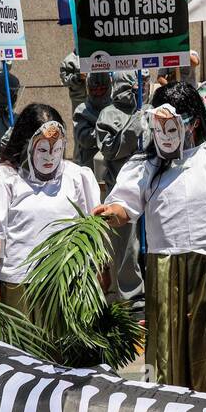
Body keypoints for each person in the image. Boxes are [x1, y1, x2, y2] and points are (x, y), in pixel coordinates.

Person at [94, 83, 206, 400]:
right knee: (171, 346)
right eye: (158, 126)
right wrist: (110, 212)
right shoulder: (145, 165)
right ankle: (174, 411)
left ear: (194, 122)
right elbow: (125, 207)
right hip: (166, 271)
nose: (164, 133)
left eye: (171, 125)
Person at [0, 104, 100, 315]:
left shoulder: (76, 177)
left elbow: (90, 230)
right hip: (19, 283)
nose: (50, 157)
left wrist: (98, 271)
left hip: (66, 281)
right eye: (43, 149)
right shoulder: (4, 178)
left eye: (57, 149)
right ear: (26, 145)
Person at [94, 71, 145, 310]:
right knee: (126, 245)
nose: (134, 92)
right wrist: (134, 126)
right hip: (121, 189)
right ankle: (130, 294)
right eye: (130, 87)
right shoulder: (108, 114)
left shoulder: (145, 107)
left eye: (137, 88)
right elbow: (110, 150)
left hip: (147, 184)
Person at [72, 71, 112, 176]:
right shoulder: (82, 111)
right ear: (89, 89)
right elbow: (85, 139)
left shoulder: (116, 108)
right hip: (90, 168)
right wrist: (110, 132)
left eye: (102, 89)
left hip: (113, 167)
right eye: (94, 90)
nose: (98, 93)